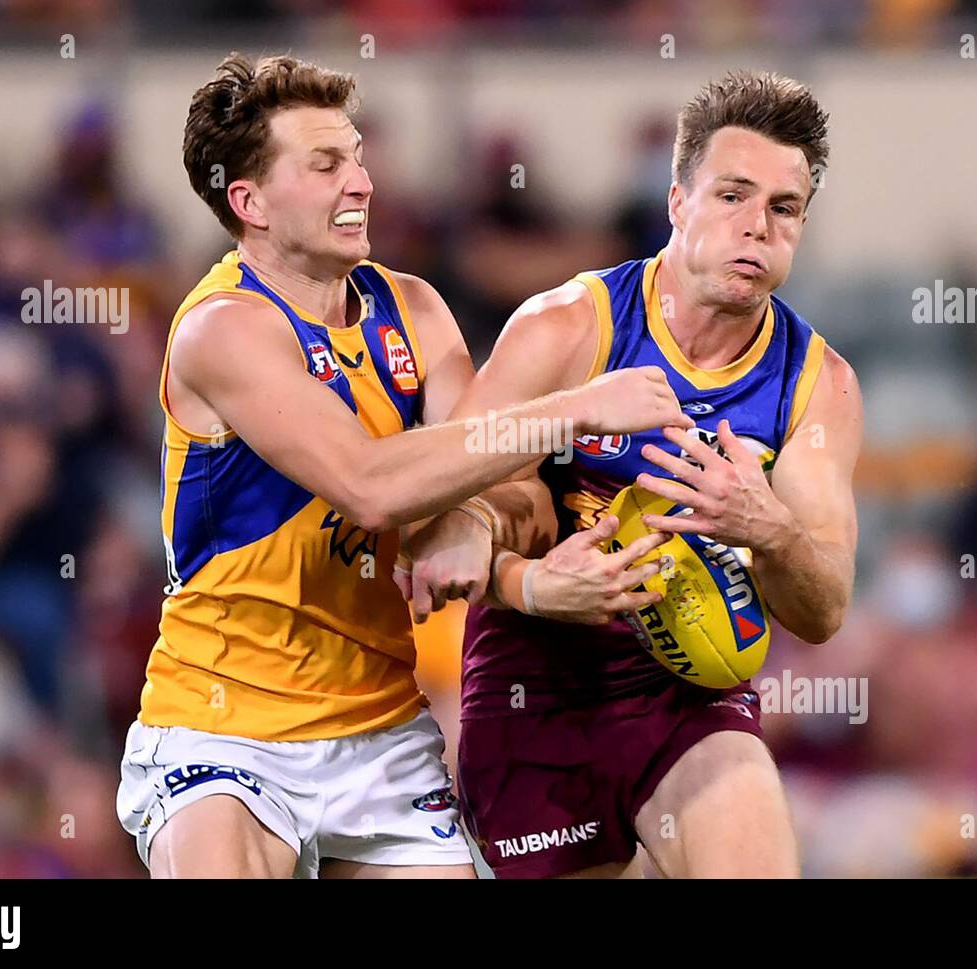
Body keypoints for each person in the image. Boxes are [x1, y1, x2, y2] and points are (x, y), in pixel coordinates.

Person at [115, 53, 688, 879]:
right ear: (251, 203)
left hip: (379, 729)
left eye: (357, 157)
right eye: (326, 165)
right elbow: (371, 485)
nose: (362, 183)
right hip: (221, 724)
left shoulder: (414, 309)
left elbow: (514, 488)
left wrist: (472, 524)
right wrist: (572, 407)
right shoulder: (224, 329)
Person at [401, 70, 863, 878]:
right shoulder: (568, 327)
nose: (757, 227)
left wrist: (768, 527)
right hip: (533, 689)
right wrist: (527, 576)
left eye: (783, 209)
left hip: (690, 695)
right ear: (678, 203)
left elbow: (822, 609)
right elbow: (437, 509)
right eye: (732, 196)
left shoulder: (817, 384)